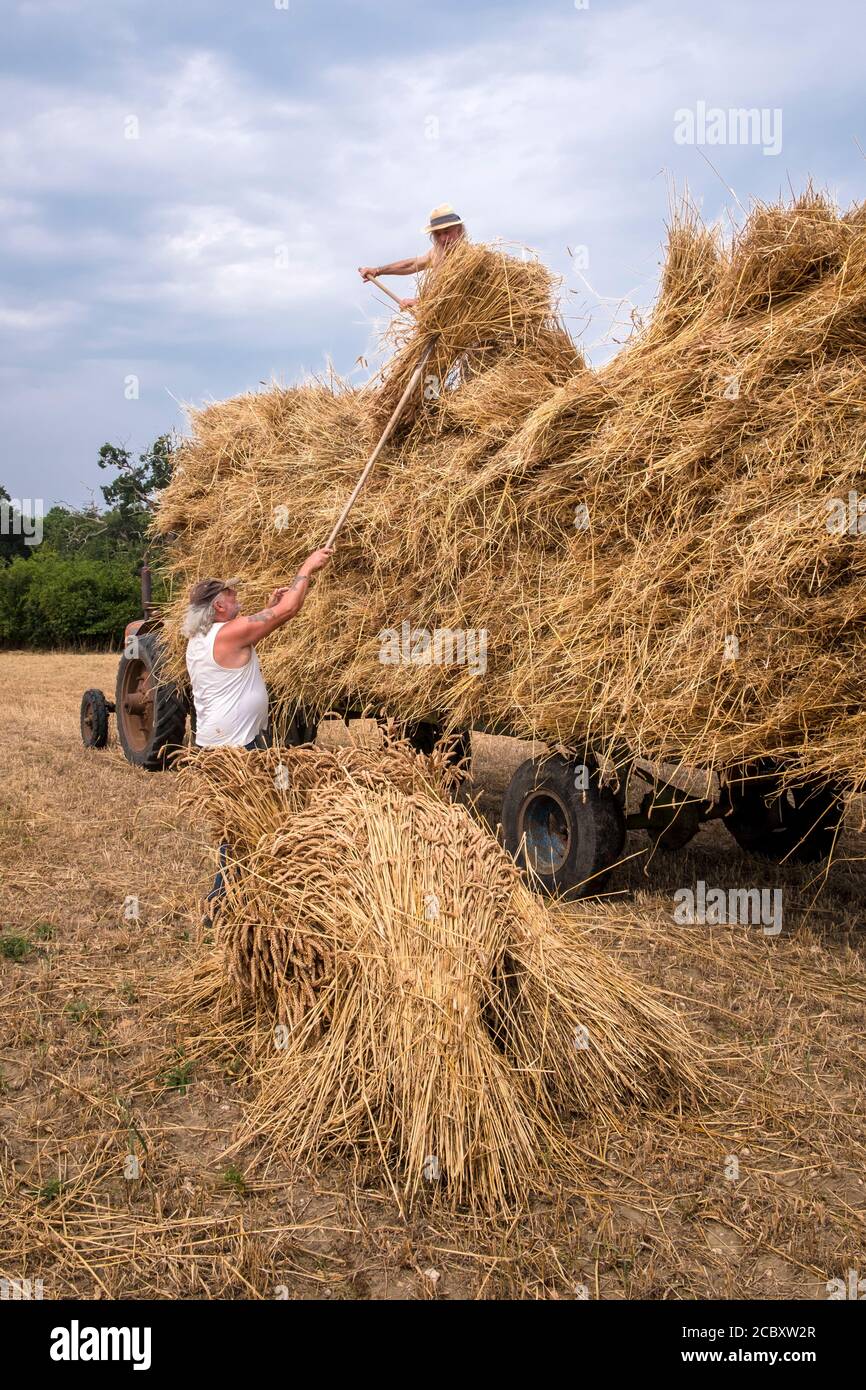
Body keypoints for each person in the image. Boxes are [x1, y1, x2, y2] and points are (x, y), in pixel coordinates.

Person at [182, 548, 332, 911]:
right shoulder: (229, 634)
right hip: (237, 751)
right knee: (241, 832)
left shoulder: (202, 640)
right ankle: (221, 907)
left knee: (247, 825)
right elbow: (288, 610)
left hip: (217, 747)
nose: (237, 598)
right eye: (231, 595)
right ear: (219, 606)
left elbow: (271, 618)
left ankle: (246, 899)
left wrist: (270, 607)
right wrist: (306, 567)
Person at [358, 203, 466, 310]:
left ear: (459, 230)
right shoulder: (436, 252)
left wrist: (419, 302)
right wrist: (377, 271)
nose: (443, 238)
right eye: (438, 234)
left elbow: (457, 291)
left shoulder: (469, 258)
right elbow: (411, 265)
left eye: (447, 232)